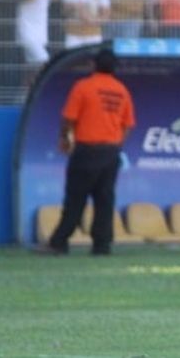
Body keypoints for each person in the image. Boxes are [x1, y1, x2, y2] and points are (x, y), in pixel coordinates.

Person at [41, 48, 135, 256]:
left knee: (75, 197)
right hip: (111, 152)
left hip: (87, 150)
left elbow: (69, 118)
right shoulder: (122, 90)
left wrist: (65, 138)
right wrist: (117, 144)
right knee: (105, 199)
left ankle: (59, 242)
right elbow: (128, 124)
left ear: (93, 65)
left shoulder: (83, 87)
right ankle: (102, 245)